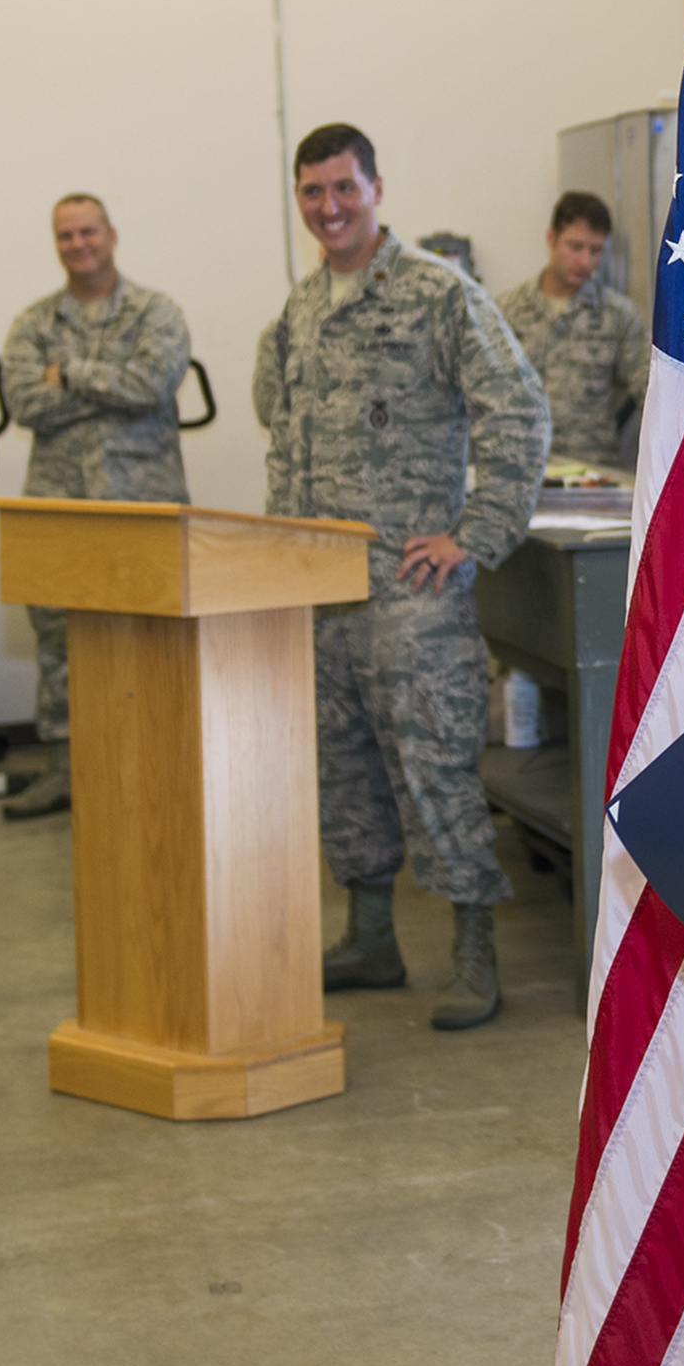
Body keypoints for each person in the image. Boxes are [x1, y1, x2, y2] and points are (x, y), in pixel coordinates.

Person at [253, 123, 549, 1031]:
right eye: (312, 192)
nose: (329, 207)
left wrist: (476, 532)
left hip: (409, 594)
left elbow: (518, 406)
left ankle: (473, 953)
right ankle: (372, 936)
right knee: (343, 772)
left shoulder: (436, 295)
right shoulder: (301, 310)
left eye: (344, 188)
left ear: (376, 188)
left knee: (433, 767)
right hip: (321, 588)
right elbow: (279, 420)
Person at [0, 193, 193, 820]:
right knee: (59, 639)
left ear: (111, 234)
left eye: (88, 232)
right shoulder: (32, 323)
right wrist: (111, 383)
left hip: (144, 506)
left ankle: (162, 765)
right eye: (65, 235)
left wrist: (69, 374)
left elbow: (152, 384)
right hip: (59, 511)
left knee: (155, 638)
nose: (77, 244)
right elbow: (25, 403)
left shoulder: (156, 311)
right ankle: (65, 771)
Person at [494, 191, 647, 467]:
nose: (585, 261)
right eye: (575, 247)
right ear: (551, 238)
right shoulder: (507, 310)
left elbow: (649, 391)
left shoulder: (618, 316)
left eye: (596, 250)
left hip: (591, 471)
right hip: (521, 468)